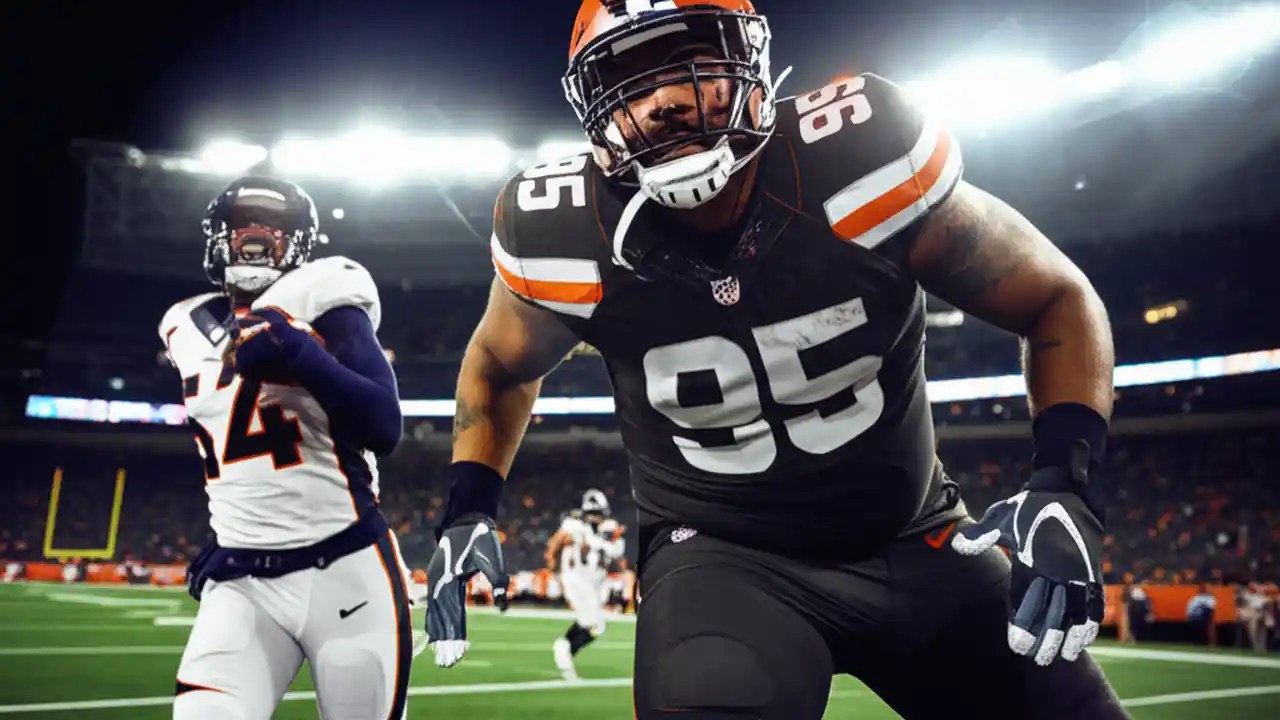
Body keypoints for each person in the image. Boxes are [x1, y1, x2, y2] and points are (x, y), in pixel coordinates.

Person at [426, 1, 1127, 717]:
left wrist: (1066, 483)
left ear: (748, 61)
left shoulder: (858, 159)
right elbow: (500, 362)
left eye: (688, 64)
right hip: (723, 559)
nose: (663, 100)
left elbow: (1056, 297)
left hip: (917, 535)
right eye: (629, 80)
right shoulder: (565, 230)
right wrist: (467, 509)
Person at [160, 176, 410, 719]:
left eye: (274, 227)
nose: (253, 238)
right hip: (242, 578)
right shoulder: (183, 325)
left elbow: (385, 425)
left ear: (299, 243)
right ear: (216, 238)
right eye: (238, 226)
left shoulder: (324, 296)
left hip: (345, 570)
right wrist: (229, 535)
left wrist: (300, 352)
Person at [545, 489, 626, 680]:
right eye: (593, 514)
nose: (596, 518)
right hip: (576, 577)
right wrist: (553, 564)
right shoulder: (574, 525)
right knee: (591, 621)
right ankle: (564, 646)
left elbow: (614, 556)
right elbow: (556, 542)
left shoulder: (605, 533)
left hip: (591, 582)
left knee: (597, 626)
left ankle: (566, 652)